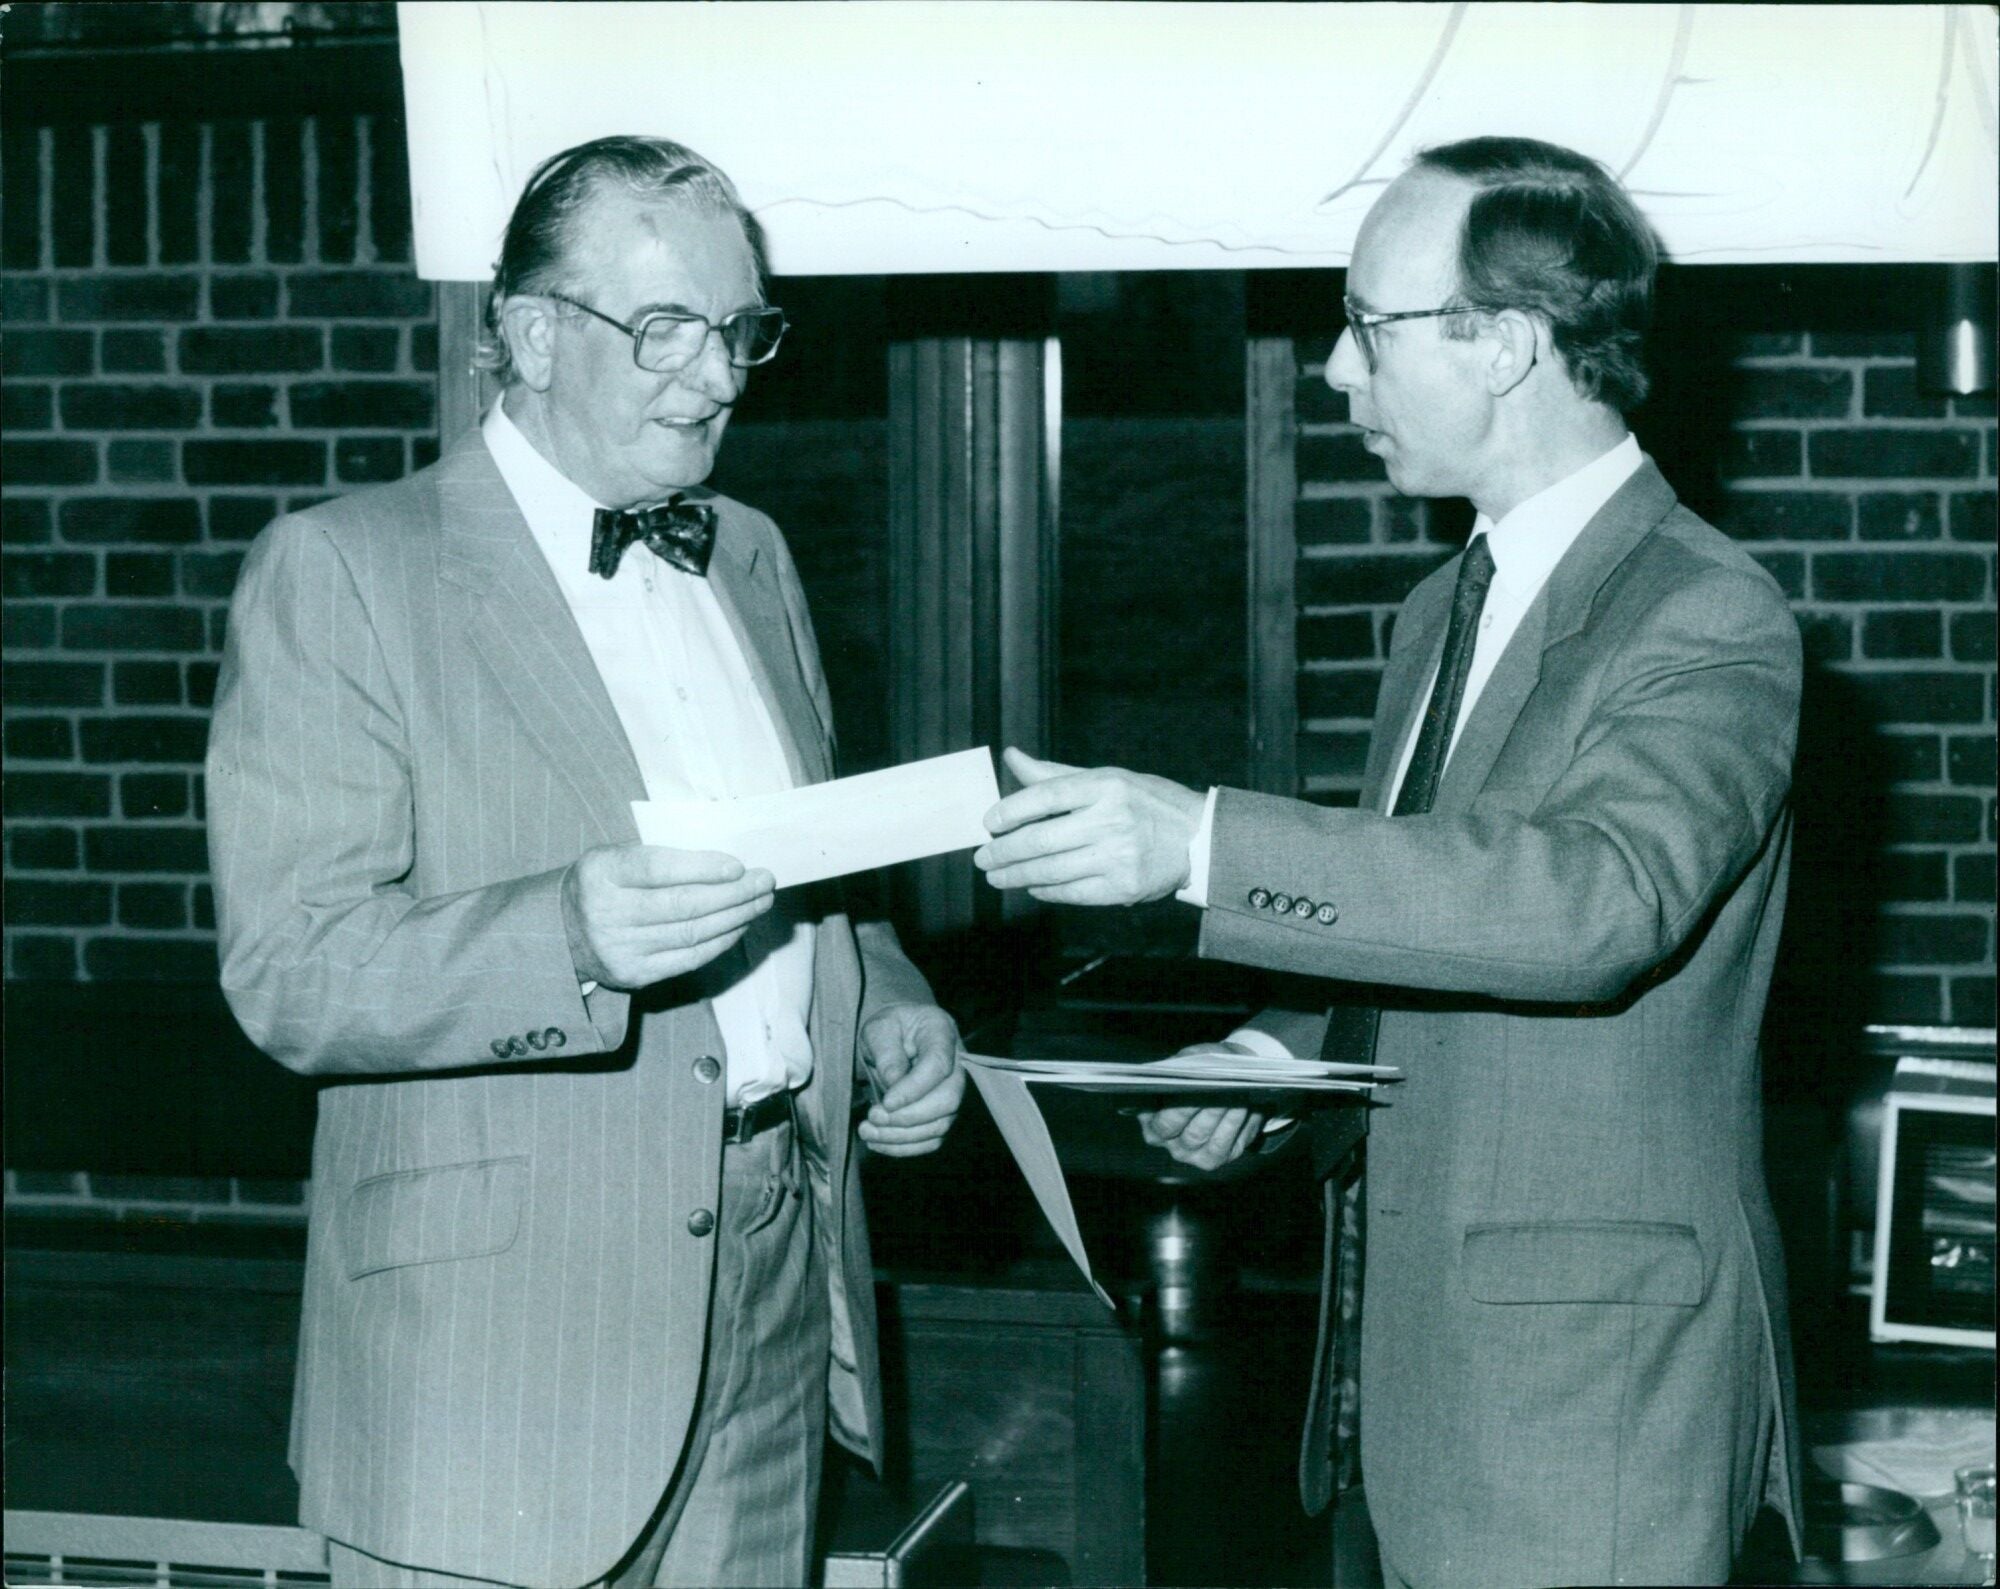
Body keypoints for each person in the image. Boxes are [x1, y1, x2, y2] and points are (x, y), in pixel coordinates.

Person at [976, 136, 1803, 1588]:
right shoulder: (1441, 609)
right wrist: (1275, 1054)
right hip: (1417, 1395)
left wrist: (1198, 842)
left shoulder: (1705, 613)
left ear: (1506, 346)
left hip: (1591, 1403)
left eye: (1369, 326)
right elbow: (1438, 920)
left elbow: (1592, 905)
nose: (1335, 369)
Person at [207, 135, 965, 1589]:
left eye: (741, 329)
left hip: (771, 1289)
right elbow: (291, 972)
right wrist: (567, 935)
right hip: (501, 1347)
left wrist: (887, 1003)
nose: (719, 376)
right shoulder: (345, 568)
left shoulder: (750, 554)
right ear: (535, 334)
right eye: (666, 327)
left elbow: (817, 880)